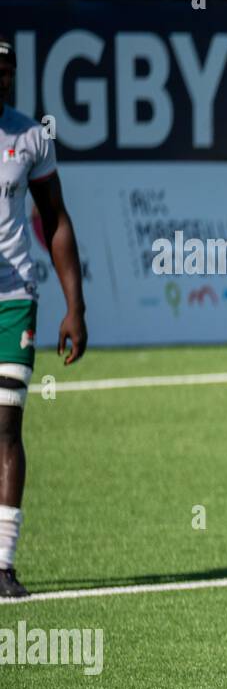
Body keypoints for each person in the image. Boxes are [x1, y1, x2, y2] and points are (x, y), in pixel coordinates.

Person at [0, 35, 88, 598]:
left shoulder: (30, 136)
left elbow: (55, 220)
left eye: (7, 72)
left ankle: (3, 564)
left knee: (6, 425)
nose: (2, 80)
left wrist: (74, 308)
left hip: (13, 299)